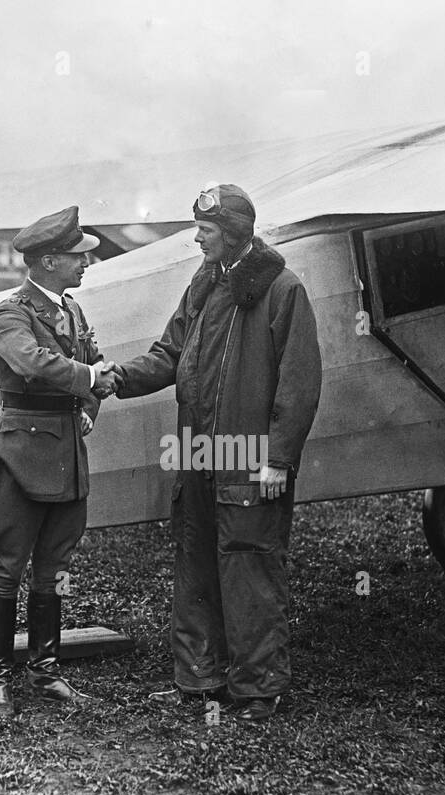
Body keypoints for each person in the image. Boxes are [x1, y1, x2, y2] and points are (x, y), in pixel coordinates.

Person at [110, 184, 322, 722]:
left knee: (250, 566)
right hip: (199, 450)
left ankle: (258, 689)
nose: (196, 238)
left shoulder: (282, 290)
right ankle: (199, 678)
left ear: (232, 235)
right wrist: (113, 378)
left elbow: (299, 383)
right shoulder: (204, 283)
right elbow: (169, 353)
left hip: (248, 455)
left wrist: (278, 457)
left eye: (205, 230)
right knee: (196, 556)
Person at [0, 205, 119, 716]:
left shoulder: (73, 310)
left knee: (53, 569)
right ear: (49, 260)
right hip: (20, 454)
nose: (87, 263)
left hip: (66, 454)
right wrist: (86, 381)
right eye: (78, 256)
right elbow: (32, 362)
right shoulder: (11, 313)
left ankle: (44, 673)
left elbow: (93, 366)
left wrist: (90, 405)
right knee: (6, 571)